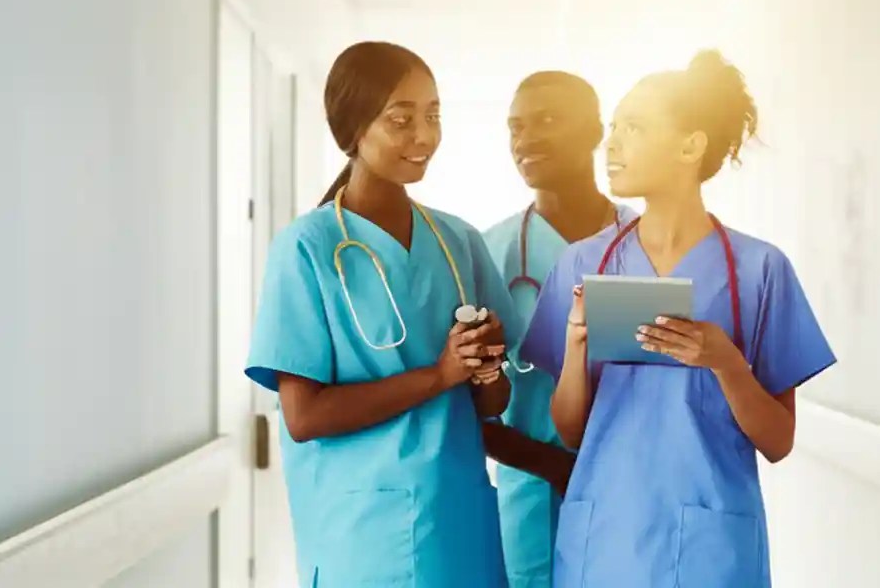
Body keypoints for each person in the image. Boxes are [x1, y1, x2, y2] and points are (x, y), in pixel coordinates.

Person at [520, 50, 837, 587]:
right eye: (613, 128)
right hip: (606, 541)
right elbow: (571, 431)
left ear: (690, 146)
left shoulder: (759, 271)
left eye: (634, 127)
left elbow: (779, 441)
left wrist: (725, 363)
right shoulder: (584, 263)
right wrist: (575, 346)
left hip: (711, 550)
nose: (612, 144)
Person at [245, 41, 512, 587]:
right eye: (401, 119)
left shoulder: (458, 241)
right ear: (353, 130)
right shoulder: (308, 248)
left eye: (433, 115)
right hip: (364, 538)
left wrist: (483, 369)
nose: (424, 136)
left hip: (459, 521)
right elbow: (304, 417)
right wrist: (439, 374)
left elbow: (492, 402)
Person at [481, 71, 637, 588]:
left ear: (597, 131)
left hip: (635, 485)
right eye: (515, 127)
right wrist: (554, 465)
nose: (526, 140)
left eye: (547, 120)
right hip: (531, 496)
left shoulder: (650, 245)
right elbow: (464, 403)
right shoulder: (489, 253)